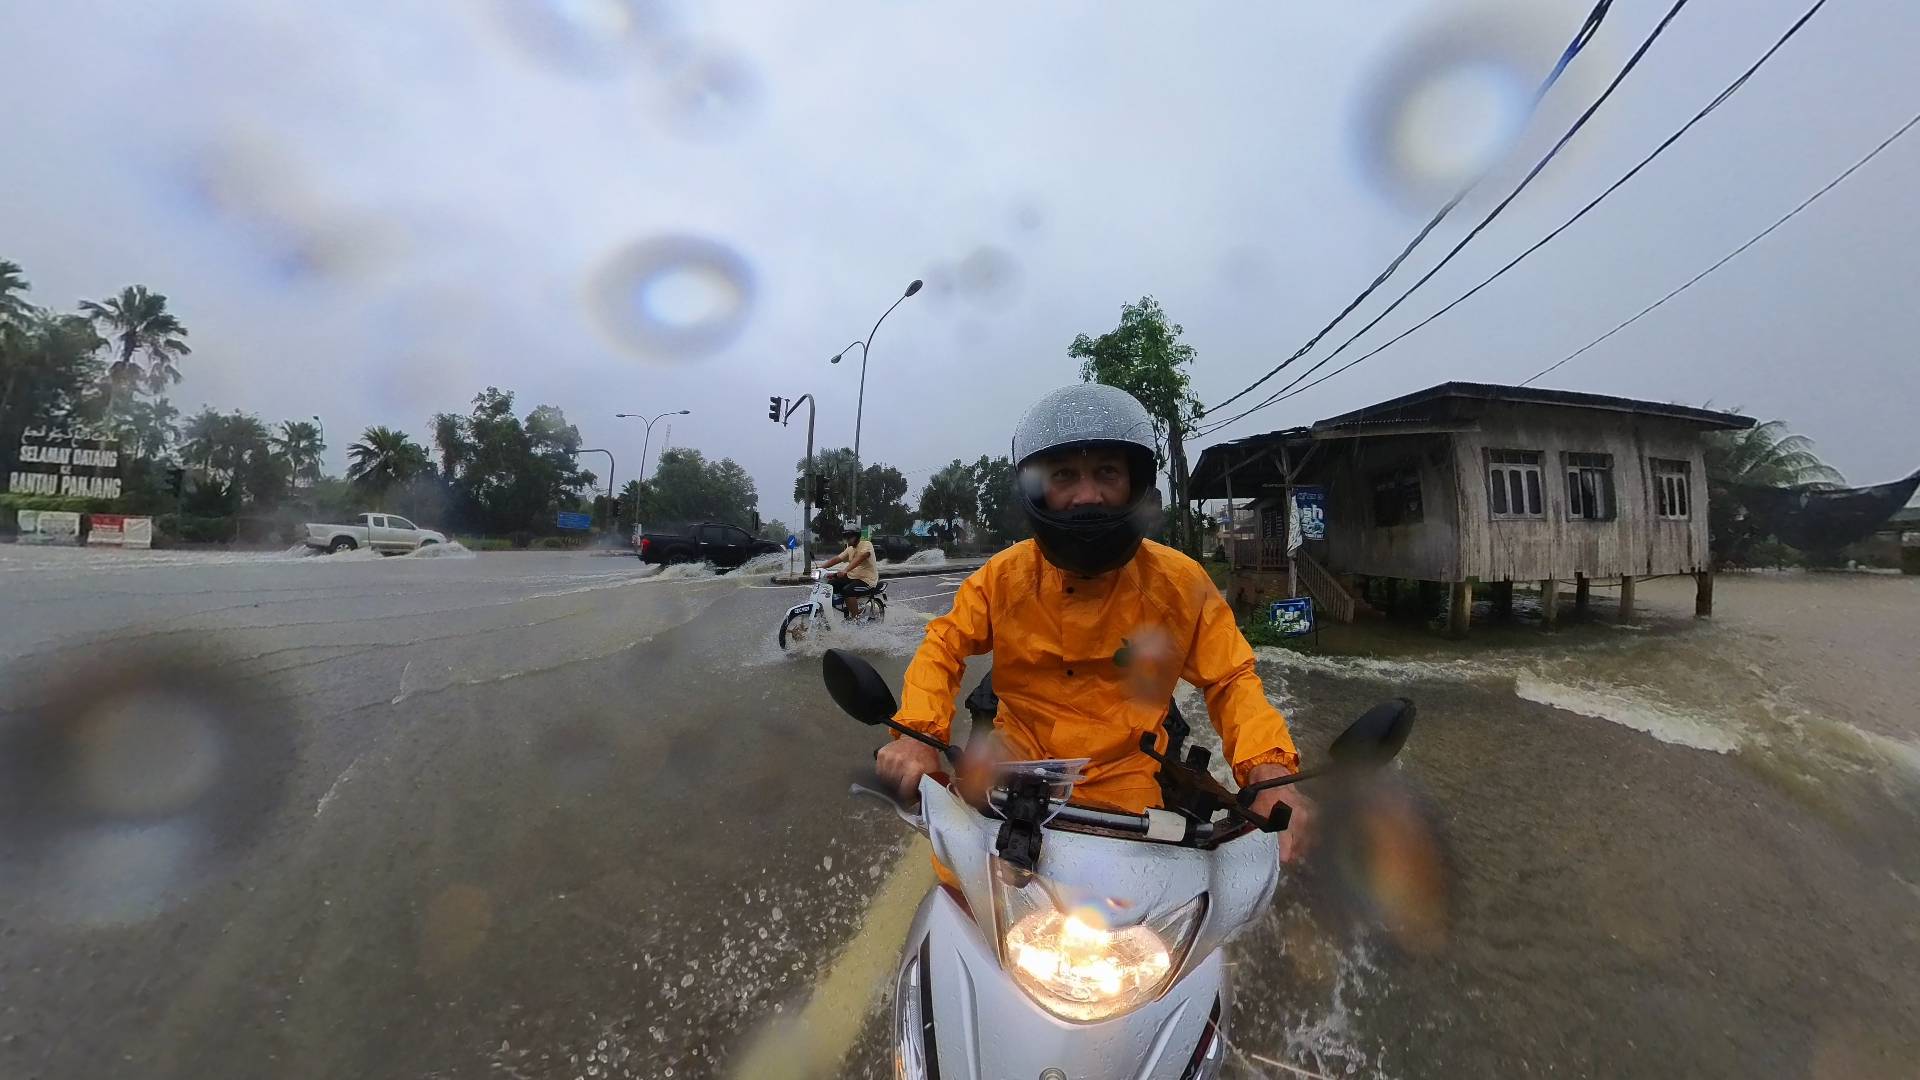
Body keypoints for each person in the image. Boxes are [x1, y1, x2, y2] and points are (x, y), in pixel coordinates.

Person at [875, 384, 1314, 860]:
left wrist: (1269, 773)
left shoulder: (1180, 583)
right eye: (1065, 475)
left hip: (1128, 788)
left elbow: (1230, 678)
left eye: (1107, 472)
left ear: (1135, 482)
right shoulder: (1003, 577)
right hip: (1009, 775)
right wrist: (918, 736)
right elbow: (944, 644)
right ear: (1039, 491)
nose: (1087, 496)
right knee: (955, 885)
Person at [820, 525, 879, 620]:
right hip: (852, 577)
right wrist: (820, 568)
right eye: (846, 537)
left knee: (847, 591)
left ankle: (855, 619)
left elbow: (860, 558)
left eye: (850, 537)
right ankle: (835, 612)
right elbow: (837, 559)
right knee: (830, 585)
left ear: (857, 536)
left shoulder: (866, 544)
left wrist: (845, 570)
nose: (848, 539)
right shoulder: (849, 548)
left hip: (867, 580)